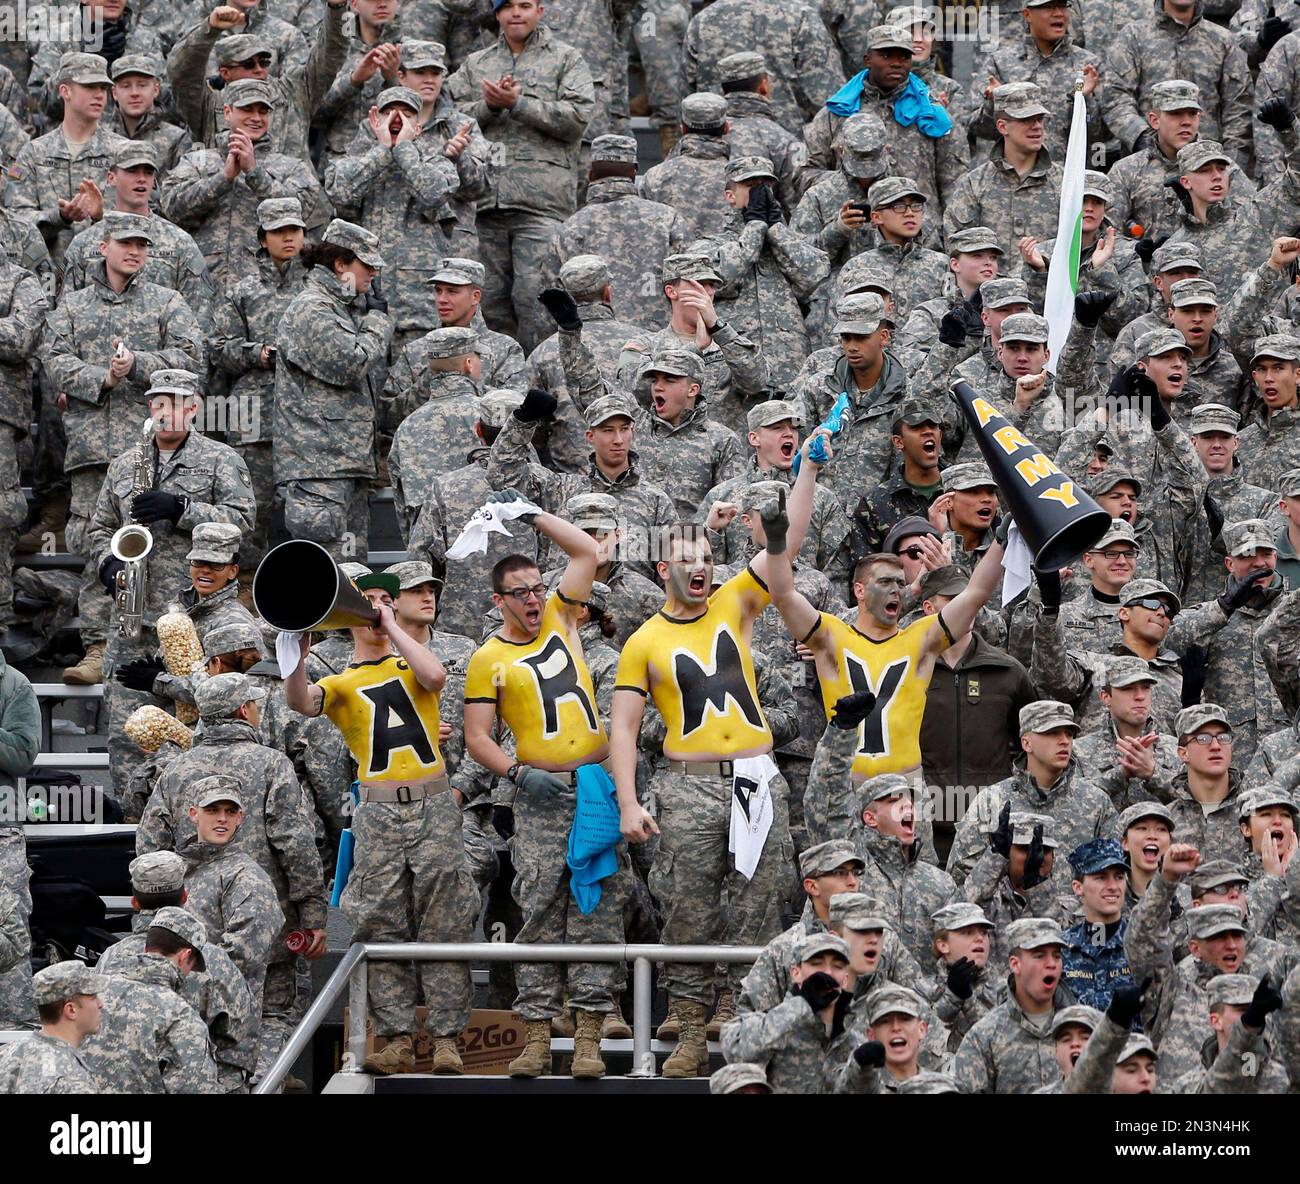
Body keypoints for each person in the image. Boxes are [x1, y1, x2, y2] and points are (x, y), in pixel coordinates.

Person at [611, 438, 826, 1076]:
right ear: (662, 570)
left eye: (707, 557)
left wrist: (807, 467)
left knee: (760, 907)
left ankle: (744, 1027)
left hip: (757, 779)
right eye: (687, 560)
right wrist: (628, 801)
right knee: (689, 910)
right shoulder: (643, 641)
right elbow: (623, 729)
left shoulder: (735, 603)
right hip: (686, 787)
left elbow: (786, 541)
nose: (700, 568)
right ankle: (690, 1034)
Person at [285, 567, 478, 1076]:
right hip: (377, 810)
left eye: (382, 601)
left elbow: (435, 677)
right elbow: (303, 703)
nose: (373, 611)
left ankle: (447, 1037)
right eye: (365, 603)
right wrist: (294, 660)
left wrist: (393, 626)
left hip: (434, 804)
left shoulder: (412, 662)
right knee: (381, 920)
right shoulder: (344, 682)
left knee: (445, 921)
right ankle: (392, 1035)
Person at [463, 495, 629, 1080]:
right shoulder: (487, 658)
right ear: (498, 601)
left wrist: (526, 513)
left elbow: (586, 549)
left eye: (537, 587)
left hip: (593, 786)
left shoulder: (564, 616)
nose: (533, 599)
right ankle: (535, 1034)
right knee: (538, 909)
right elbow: (479, 737)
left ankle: (587, 1037)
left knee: (598, 909)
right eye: (520, 592)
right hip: (536, 796)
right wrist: (515, 774)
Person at [42, 212, 206, 687]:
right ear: (103, 247)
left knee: (159, 546)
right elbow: (53, 361)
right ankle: (98, 644)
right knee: (101, 544)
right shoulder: (73, 307)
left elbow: (193, 359)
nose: (135, 252)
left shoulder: (166, 301)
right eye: (126, 244)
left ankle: (164, 638)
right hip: (95, 448)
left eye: (143, 245)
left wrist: (138, 365)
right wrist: (103, 377)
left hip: (156, 450)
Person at [766, 510, 1006, 785]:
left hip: (905, 786)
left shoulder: (922, 639)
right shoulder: (831, 636)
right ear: (859, 590)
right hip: (844, 786)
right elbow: (783, 595)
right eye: (884, 582)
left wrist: (1000, 541)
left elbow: (975, 595)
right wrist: (775, 543)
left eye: (900, 583)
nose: (895, 590)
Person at [445, 0, 595, 354]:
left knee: (534, 299)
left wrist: (519, 104)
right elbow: (447, 115)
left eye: (525, 5)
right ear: (496, 14)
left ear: (540, 11)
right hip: (484, 203)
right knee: (489, 301)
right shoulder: (476, 64)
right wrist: (489, 107)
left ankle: (537, 378)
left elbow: (578, 118)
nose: (516, 13)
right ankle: (499, 381)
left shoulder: (565, 58)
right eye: (507, 6)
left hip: (540, 204)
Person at [273, 218, 393, 561]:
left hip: (343, 466)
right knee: (321, 574)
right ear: (340, 264)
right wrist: (378, 323)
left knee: (351, 576)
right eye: (366, 266)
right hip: (319, 471)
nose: (373, 275)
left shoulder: (340, 307)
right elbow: (350, 364)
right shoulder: (312, 308)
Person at [323, 85, 470, 355]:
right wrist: (381, 151)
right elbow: (339, 193)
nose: (397, 119)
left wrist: (403, 149)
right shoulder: (352, 160)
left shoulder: (437, 162)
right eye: (389, 112)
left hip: (415, 304)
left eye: (406, 113)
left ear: (418, 125)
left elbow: (434, 193)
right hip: (361, 303)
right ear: (374, 120)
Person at [98, 849, 259, 1093]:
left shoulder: (111, 957)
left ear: (135, 902)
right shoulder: (211, 958)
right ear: (185, 896)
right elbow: (240, 1040)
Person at [159, 77, 332, 291]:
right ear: (227, 112)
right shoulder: (198, 161)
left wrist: (255, 173)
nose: (256, 118)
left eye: (262, 111)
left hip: (264, 294)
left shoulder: (291, 167)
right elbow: (173, 208)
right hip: (202, 287)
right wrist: (224, 179)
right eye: (247, 109)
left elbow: (301, 210)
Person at [208, 196, 307, 567]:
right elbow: (217, 348)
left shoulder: (318, 288)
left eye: (294, 230)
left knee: (301, 515)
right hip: (252, 414)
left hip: (305, 416)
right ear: (262, 238)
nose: (288, 238)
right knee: (251, 510)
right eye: (278, 231)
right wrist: (257, 354)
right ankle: (246, 593)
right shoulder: (241, 289)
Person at [947, 701, 1117, 886]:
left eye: (1069, 733)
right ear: (1026, 743)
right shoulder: (991, 801)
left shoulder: (1096, 802)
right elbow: (959, 880)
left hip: (1076, 913)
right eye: (1052, 733)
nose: (1064, 741)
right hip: (1009, 913)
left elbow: (1115, 876)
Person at [60, 140, 217, 332]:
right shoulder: (84, 244)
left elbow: (199, 322)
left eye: (148, 173)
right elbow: (63, 319)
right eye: (132, 171)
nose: (141, 179)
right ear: (111, 178)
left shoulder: (179, 243)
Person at [613, 250, 771, 439]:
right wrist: (695, 349)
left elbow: (757, 382)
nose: (708, 292)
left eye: (711, 285)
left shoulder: (730, 342)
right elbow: (637, 390)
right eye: (699, 284)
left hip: (720, 455)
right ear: (672, 291)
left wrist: (719, 329)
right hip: (663, 454)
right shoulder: (643, 346)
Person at [167, 0, 349, 160]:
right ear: (225, 73)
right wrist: (209, 29)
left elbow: (331, 55)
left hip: (285, 195)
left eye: (264, 62)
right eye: (248, 64)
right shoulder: (208, 104)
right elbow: (182, 73)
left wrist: (337, 8)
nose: (259, 70)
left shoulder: (293, 93)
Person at [551, 134, 688, 330]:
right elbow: (690, 285)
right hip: (657, 347)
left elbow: (552, 300)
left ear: (590, 176)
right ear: (633, 174)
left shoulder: (569, 228)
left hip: (593, 346)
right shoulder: (668, 219)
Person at [79, 906, 221, 1093]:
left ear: (146, 948)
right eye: (192, 965)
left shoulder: (87, 997)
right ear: (185, 956)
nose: (188, 974)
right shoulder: (180, 1017)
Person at [1103, 0, 1252, 167]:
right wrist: (1141, 139)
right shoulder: (1133, 37)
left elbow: (1239, 109)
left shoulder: (1223, 41)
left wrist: (1229, 165)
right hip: (1145, 170)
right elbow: (1115, 97)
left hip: (1207, 171)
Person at [8, 52, 124, 265]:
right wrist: (58, 217)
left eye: (103, 88)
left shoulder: (123, 153)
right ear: (65, 91)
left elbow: (142, 222)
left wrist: (100, 217)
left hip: (105, 284)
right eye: (90, 87)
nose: (99, 95)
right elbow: (14, 222)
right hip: (45, 283)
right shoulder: (33, 154)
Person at [719, 932, 858, 1093]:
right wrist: (802, 1004)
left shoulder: (857, 1029)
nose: (827, 973)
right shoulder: (771, 1024)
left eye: (837, 966)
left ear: (846, 979)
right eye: (816, 964)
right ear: (795, 973)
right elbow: (738, 1051)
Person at [964, 0, 1100, 161]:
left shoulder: (1088, 66)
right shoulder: (999, 63)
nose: (1058, 13)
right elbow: (977, 128)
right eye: (1049, 7)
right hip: (1013, 179)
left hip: (1066, 178)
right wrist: (994, 103)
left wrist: (1083, 100)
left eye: (1063, 6)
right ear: (1027, 14)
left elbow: (1097, 135)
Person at [683, 0, 842, 138]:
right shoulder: (800, 16)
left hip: (721, 148)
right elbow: (826, 96)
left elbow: (688, 97)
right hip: (786, 148)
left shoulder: (702, 21)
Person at [955, 916, 1073, 1094]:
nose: (1051, 964)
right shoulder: (984, 1037)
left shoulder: (1082, 1030)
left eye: (1056, 956)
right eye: (1039, 956)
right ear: (1015, 964)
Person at [943, 82, 1062, 252]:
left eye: (1039, 119)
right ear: (1002, 126)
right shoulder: (975, 184)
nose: (1036, 126)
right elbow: (957, 246)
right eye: (1026, 119)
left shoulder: (1064, 182)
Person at [1068, 657, 1183, 812]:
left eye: (1146, 687)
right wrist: (1120, 774)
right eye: (1128, 688)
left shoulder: (1177, 749)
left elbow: (1199, 803)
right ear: (1106, 697)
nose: (1140, 696)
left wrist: (1153, 773)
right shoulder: (1079, 752)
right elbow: (1070, 806)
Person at [640, 93, 735, 241]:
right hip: (727, 263)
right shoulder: (742, 178)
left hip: (672, 263)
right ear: (726, 128)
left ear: (682, 128)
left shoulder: (655, 176)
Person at [0, 961, 103, 1094]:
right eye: (93, 997)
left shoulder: (7, 1053)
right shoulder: (72, 1081)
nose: (100, 1004)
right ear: (71, 1010)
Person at [1061, 839, 1133, 1011]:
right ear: (1078, 888)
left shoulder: (1141, 946)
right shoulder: (1061, 949)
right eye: (1101, 877)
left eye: (1119, 877)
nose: (1113, 886)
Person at [103, 54, 190, 179]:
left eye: (142, 85)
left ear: (156, 90)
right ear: (114, 93)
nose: (134, 93)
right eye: (126, 86)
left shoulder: (177, 140)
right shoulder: (100, 137)